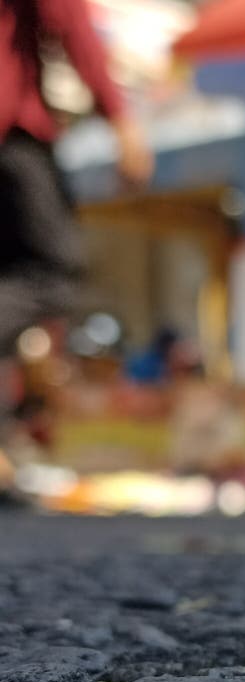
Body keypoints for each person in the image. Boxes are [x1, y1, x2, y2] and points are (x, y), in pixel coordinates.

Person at [0, 0, 152, 496]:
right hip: (10, 129)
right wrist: (120, 118)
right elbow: (68, 19)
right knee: (51, 271)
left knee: (13, 278)